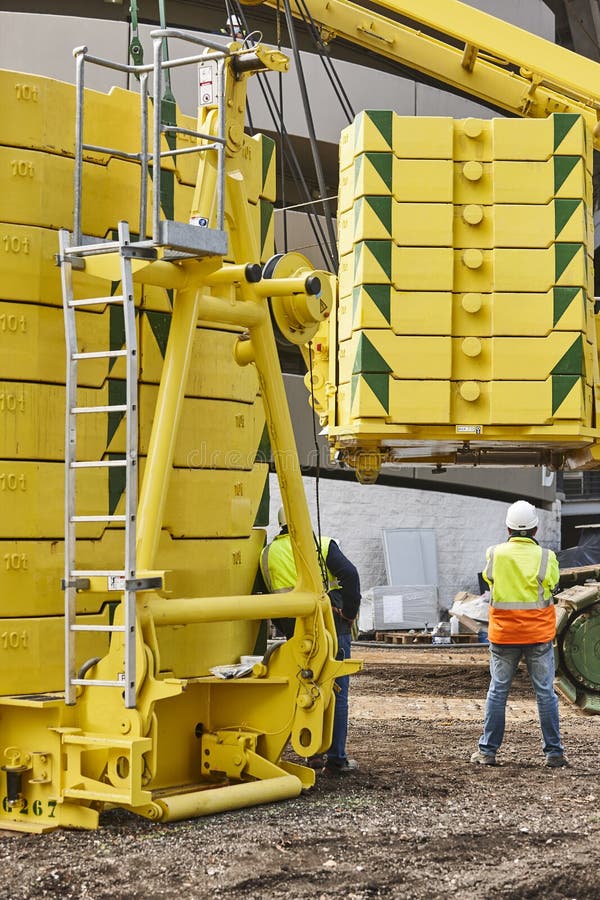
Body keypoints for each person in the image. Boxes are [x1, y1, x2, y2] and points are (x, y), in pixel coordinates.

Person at [259, 506, 361, 776]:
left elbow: (265, 595)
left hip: (298, 638)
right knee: (336, 694)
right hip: (331, 631)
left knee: (306, 692)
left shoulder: (267, 554)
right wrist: (349, 614)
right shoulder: (322, 545)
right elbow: (350, 575)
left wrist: (286, 630)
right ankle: (336, 760)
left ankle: (313, 755)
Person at [471, 499, 568, 768]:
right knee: (545, 693)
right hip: (538, 635)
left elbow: (490, 580)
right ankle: (554, 753)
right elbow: (552, 584)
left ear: (508, 528)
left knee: (498, 691)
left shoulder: (494, 554)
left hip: (504, 635)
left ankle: (488, 751)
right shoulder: (547, 557)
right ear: (535, 530)